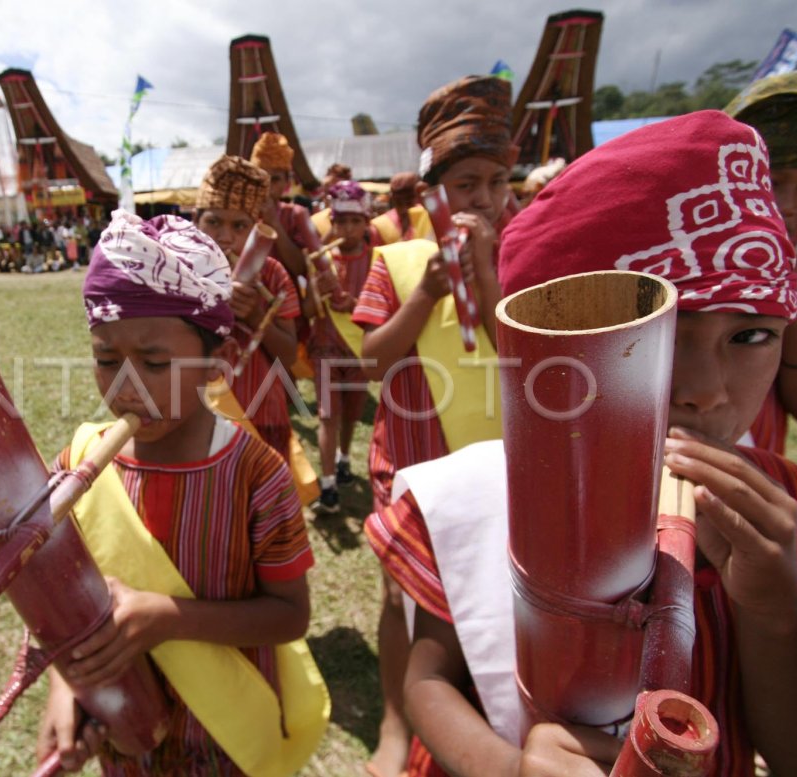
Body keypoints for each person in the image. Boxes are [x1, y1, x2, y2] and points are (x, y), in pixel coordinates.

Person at [367, 110, 797, 776]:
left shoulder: (778, 510)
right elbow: (427, 680)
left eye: (751, 335)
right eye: (660, 339)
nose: (703, 388)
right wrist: (508, 767)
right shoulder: (471, 498)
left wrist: (770, 611)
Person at [36, 210, 321, 775]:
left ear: (215, 366)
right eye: (105, 358)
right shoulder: (74, 465)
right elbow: (57, 602)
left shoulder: (255, 474)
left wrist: (168, 618)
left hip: (228, 741)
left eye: (155, 361)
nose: (125, 385)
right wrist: (66, 681)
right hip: (124, 738)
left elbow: (289, 615)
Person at [352, 75, 513, 777]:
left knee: (487, 598)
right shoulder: (397, 263)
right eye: (467, 182)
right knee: (403, 598)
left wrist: (488, 283)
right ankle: (396, 718)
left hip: (498, 469)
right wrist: (427, 294)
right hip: (413, 462)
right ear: (431, 195)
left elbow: (534, 356)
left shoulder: (521, 259)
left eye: (495, 182)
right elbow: (371, 359)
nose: (482, 198)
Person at [723, 70, 797, 456]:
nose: (788, 205)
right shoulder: (674, 274)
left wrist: (786, 285)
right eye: (771, 178)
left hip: (762, 482)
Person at [194, 154, 301, 461]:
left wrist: (254, 314)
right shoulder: (178, 272)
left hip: (262, 410)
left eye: (239, 225)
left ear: (256, 229)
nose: (225, 237)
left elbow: (289, 356)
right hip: (196, 415)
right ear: (195, 221)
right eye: (213, 222)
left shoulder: (272, 274)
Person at [309, 180, 378, 513]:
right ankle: (328, 488)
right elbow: (307, 311)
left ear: (366, 222)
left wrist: (354, 305)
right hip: (325, 349)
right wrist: (314, 290)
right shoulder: (320, 260)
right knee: (327, 417)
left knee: (351, 415)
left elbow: (383, 306)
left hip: (359, 350)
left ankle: (344, 460)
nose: (347, 229)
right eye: (340, 221)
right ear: (332, 222)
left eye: (355, 221)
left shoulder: (378, 259)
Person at [250, 132, 310, 278]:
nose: (267, 186)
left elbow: (301, 269)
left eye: (275, 179)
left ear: (286, 182)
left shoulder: (297, 214)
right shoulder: (240, 213)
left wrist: (274, 224)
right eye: (261, 177)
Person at [370, 172, 435, 245]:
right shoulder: (380, 226)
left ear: (420, 197)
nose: (404, 210)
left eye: (409, 203)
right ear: (393, 200)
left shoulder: (432, 217)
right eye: (399, 203)